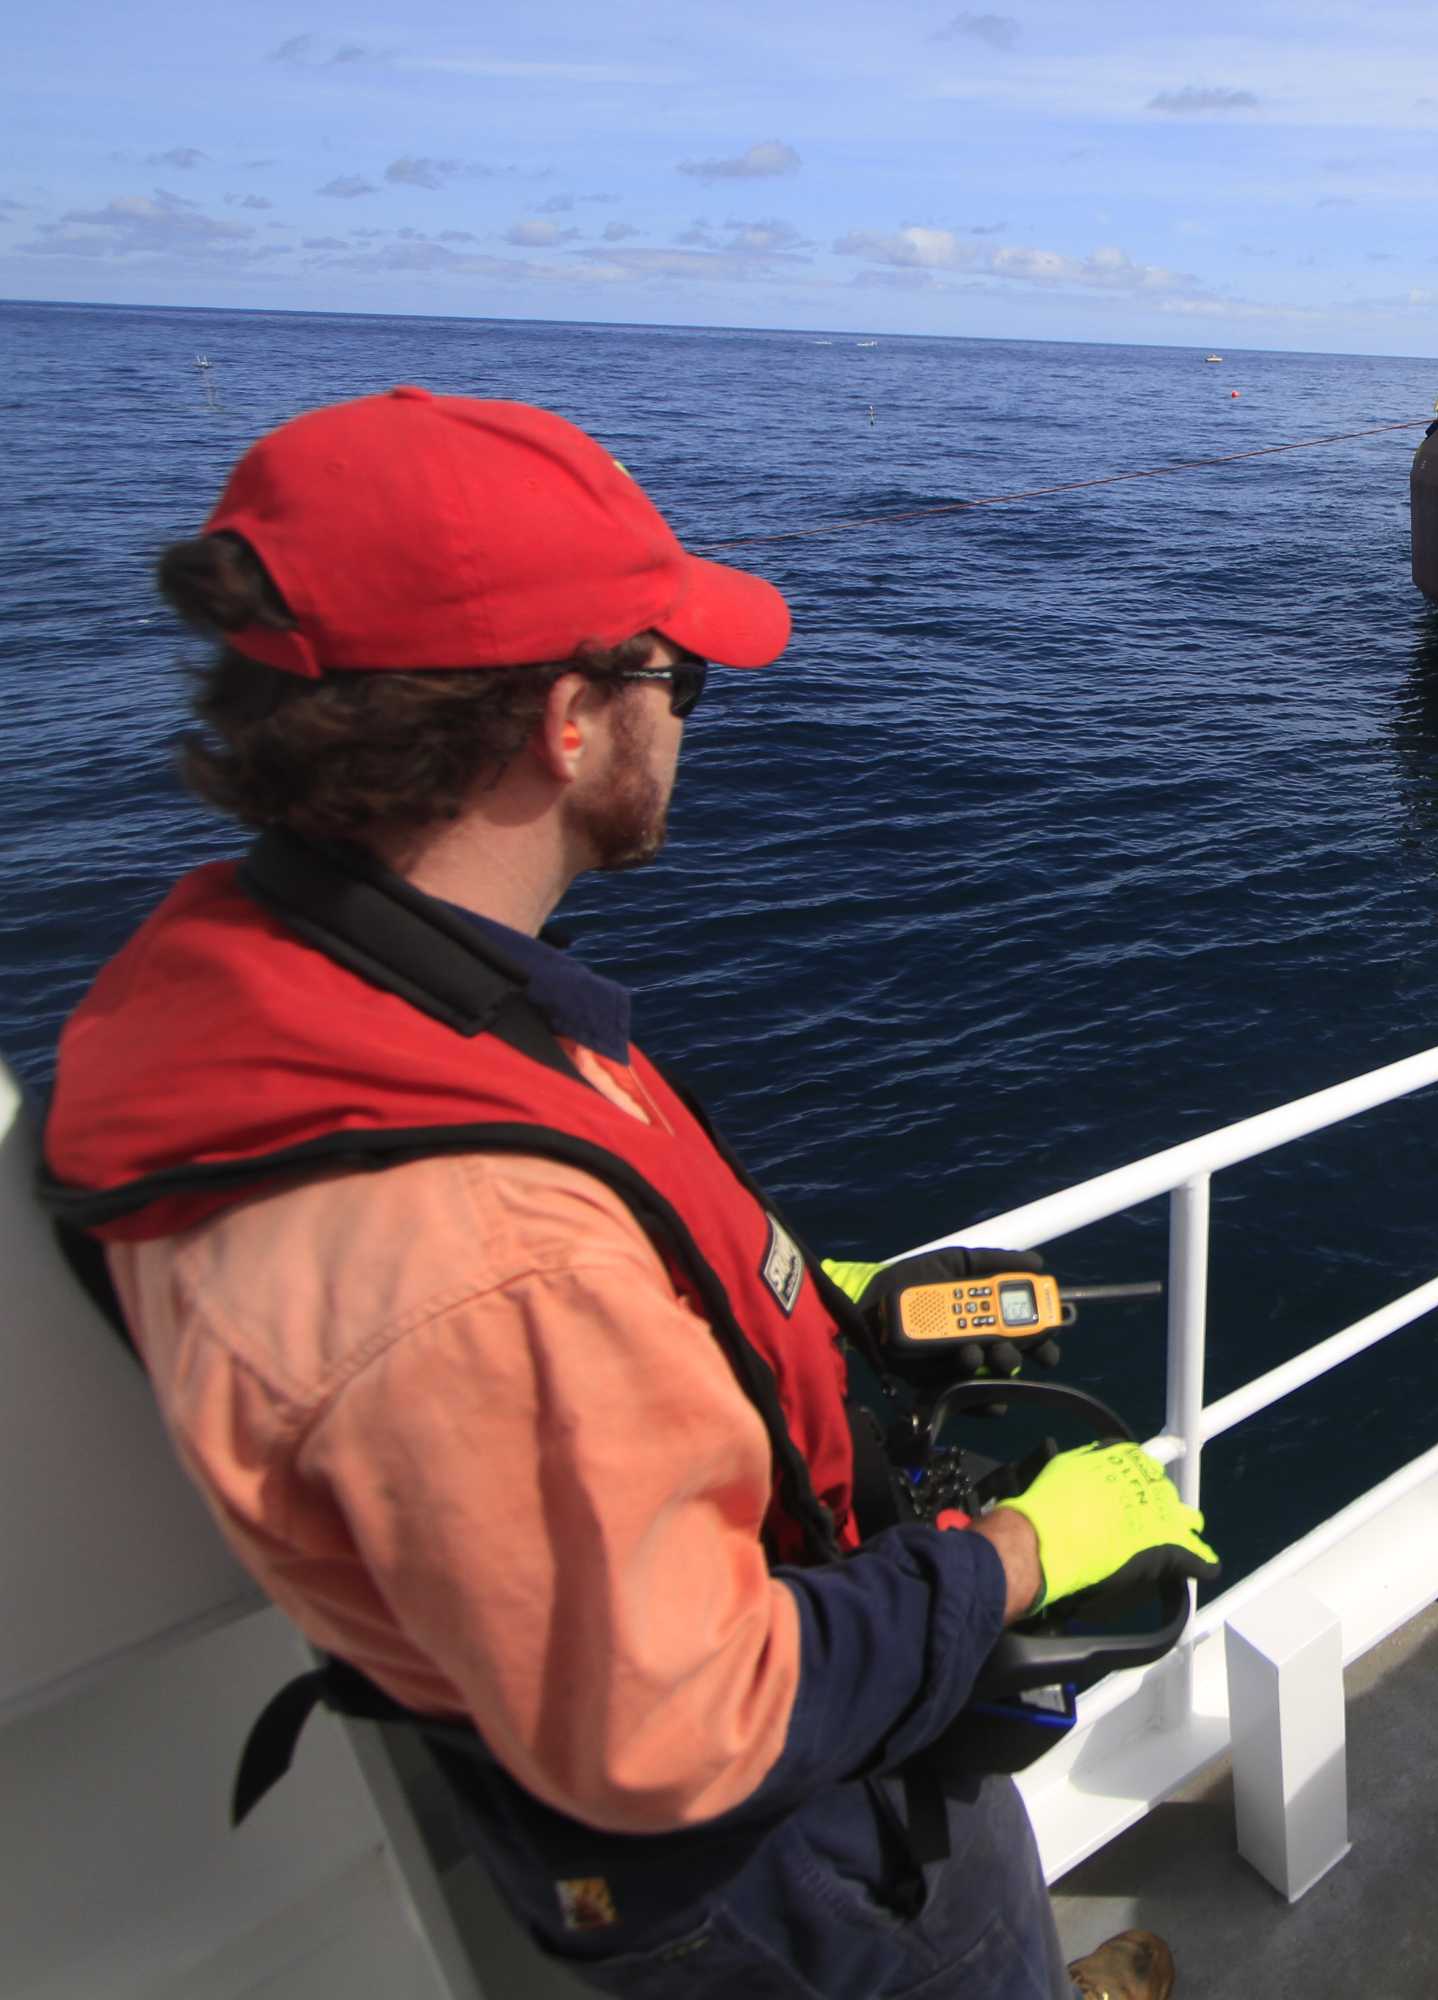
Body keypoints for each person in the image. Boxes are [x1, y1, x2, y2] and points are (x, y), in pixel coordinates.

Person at [38, 387, 1212, 2000]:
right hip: (793, 1888)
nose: (693, 711)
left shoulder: (287, 977)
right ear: (566, 723)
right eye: (680, 673)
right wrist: (1025, 1546)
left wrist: (804, 1306)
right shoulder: (478, 1263)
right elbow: (691, 1720)